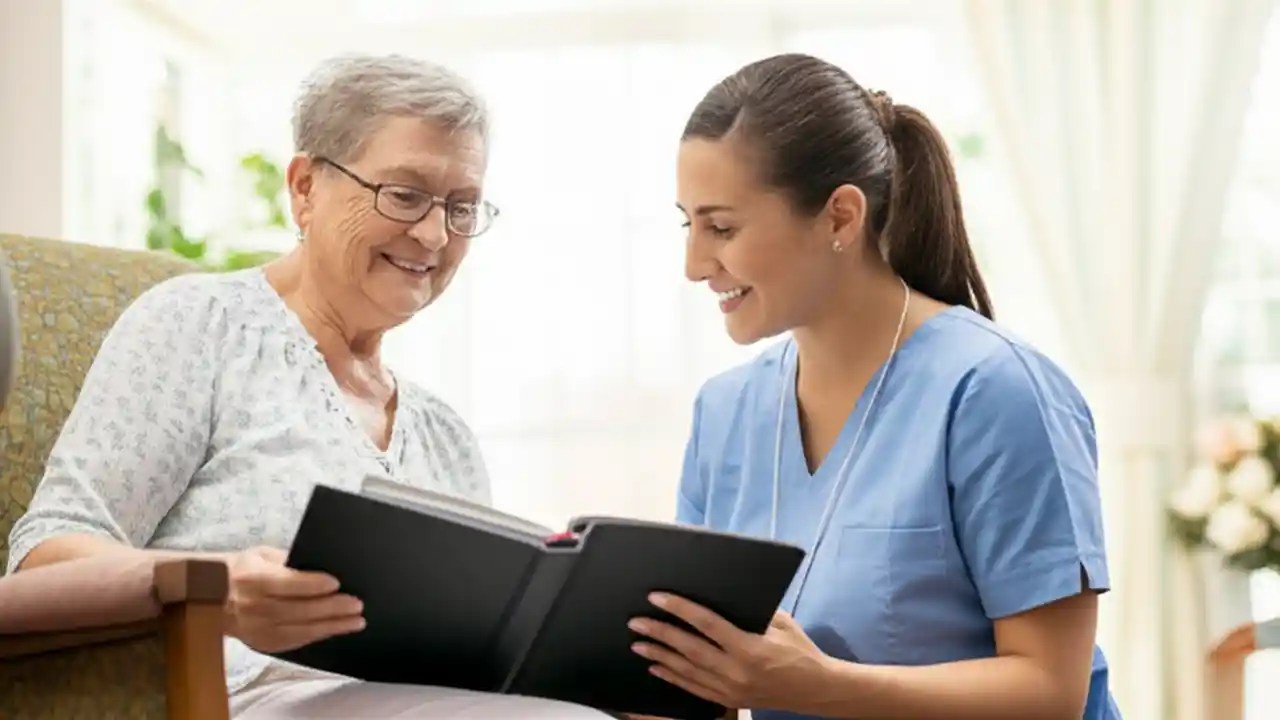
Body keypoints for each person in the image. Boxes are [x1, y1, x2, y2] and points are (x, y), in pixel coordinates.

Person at [5, 54, 611, 720]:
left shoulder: (447, 437)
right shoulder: (201, 326)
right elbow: (45, 555)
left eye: (461, 208)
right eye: (404, 194)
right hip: (246, 696)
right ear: (304, 188)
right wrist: (220, 590)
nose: (435, 235)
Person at [624, 53, 1122, 719]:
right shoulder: (726, 411)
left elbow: (1048, 692)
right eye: (688, 224)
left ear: (840, 218)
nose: (693, 265)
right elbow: (704, 677)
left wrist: (814, 684)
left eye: (722, 227)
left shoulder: (996, 392)